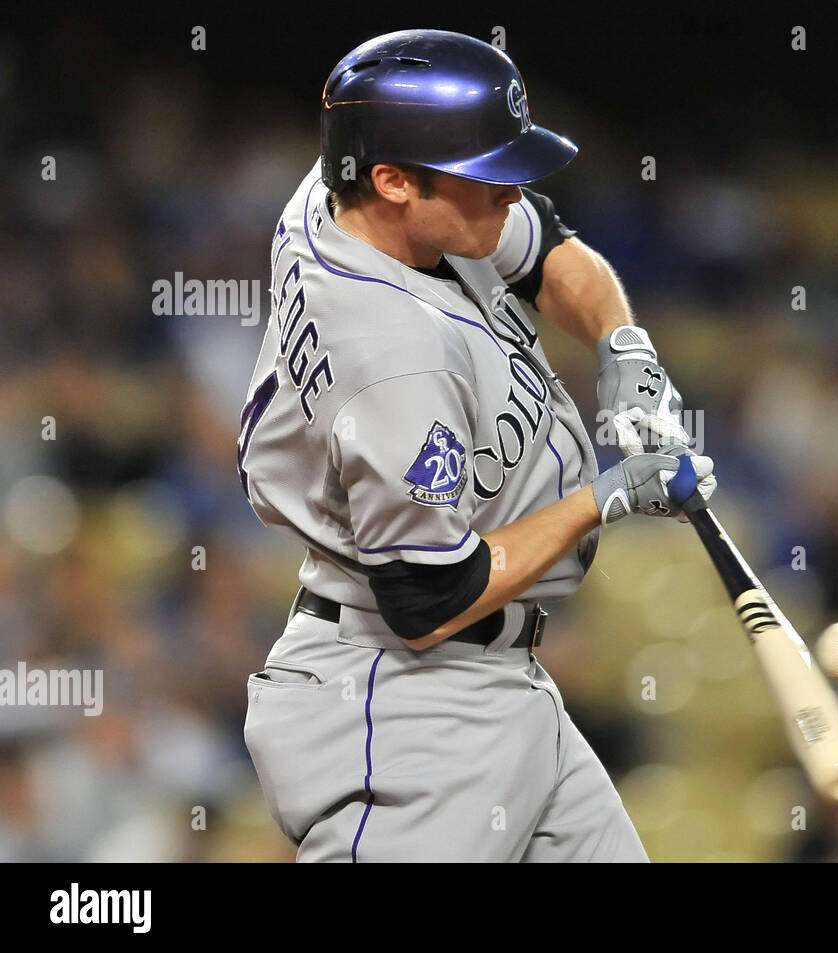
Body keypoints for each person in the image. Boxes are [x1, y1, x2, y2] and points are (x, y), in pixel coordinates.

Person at [237, 28, 715, 862]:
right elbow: (427, 599)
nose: (513, 191)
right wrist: (609, 495)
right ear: (391, 180)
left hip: (499, 685)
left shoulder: (346, 193)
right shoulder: (390, 357)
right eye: (489, 176)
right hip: (410, 707)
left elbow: (548, 246)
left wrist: (621, 346)